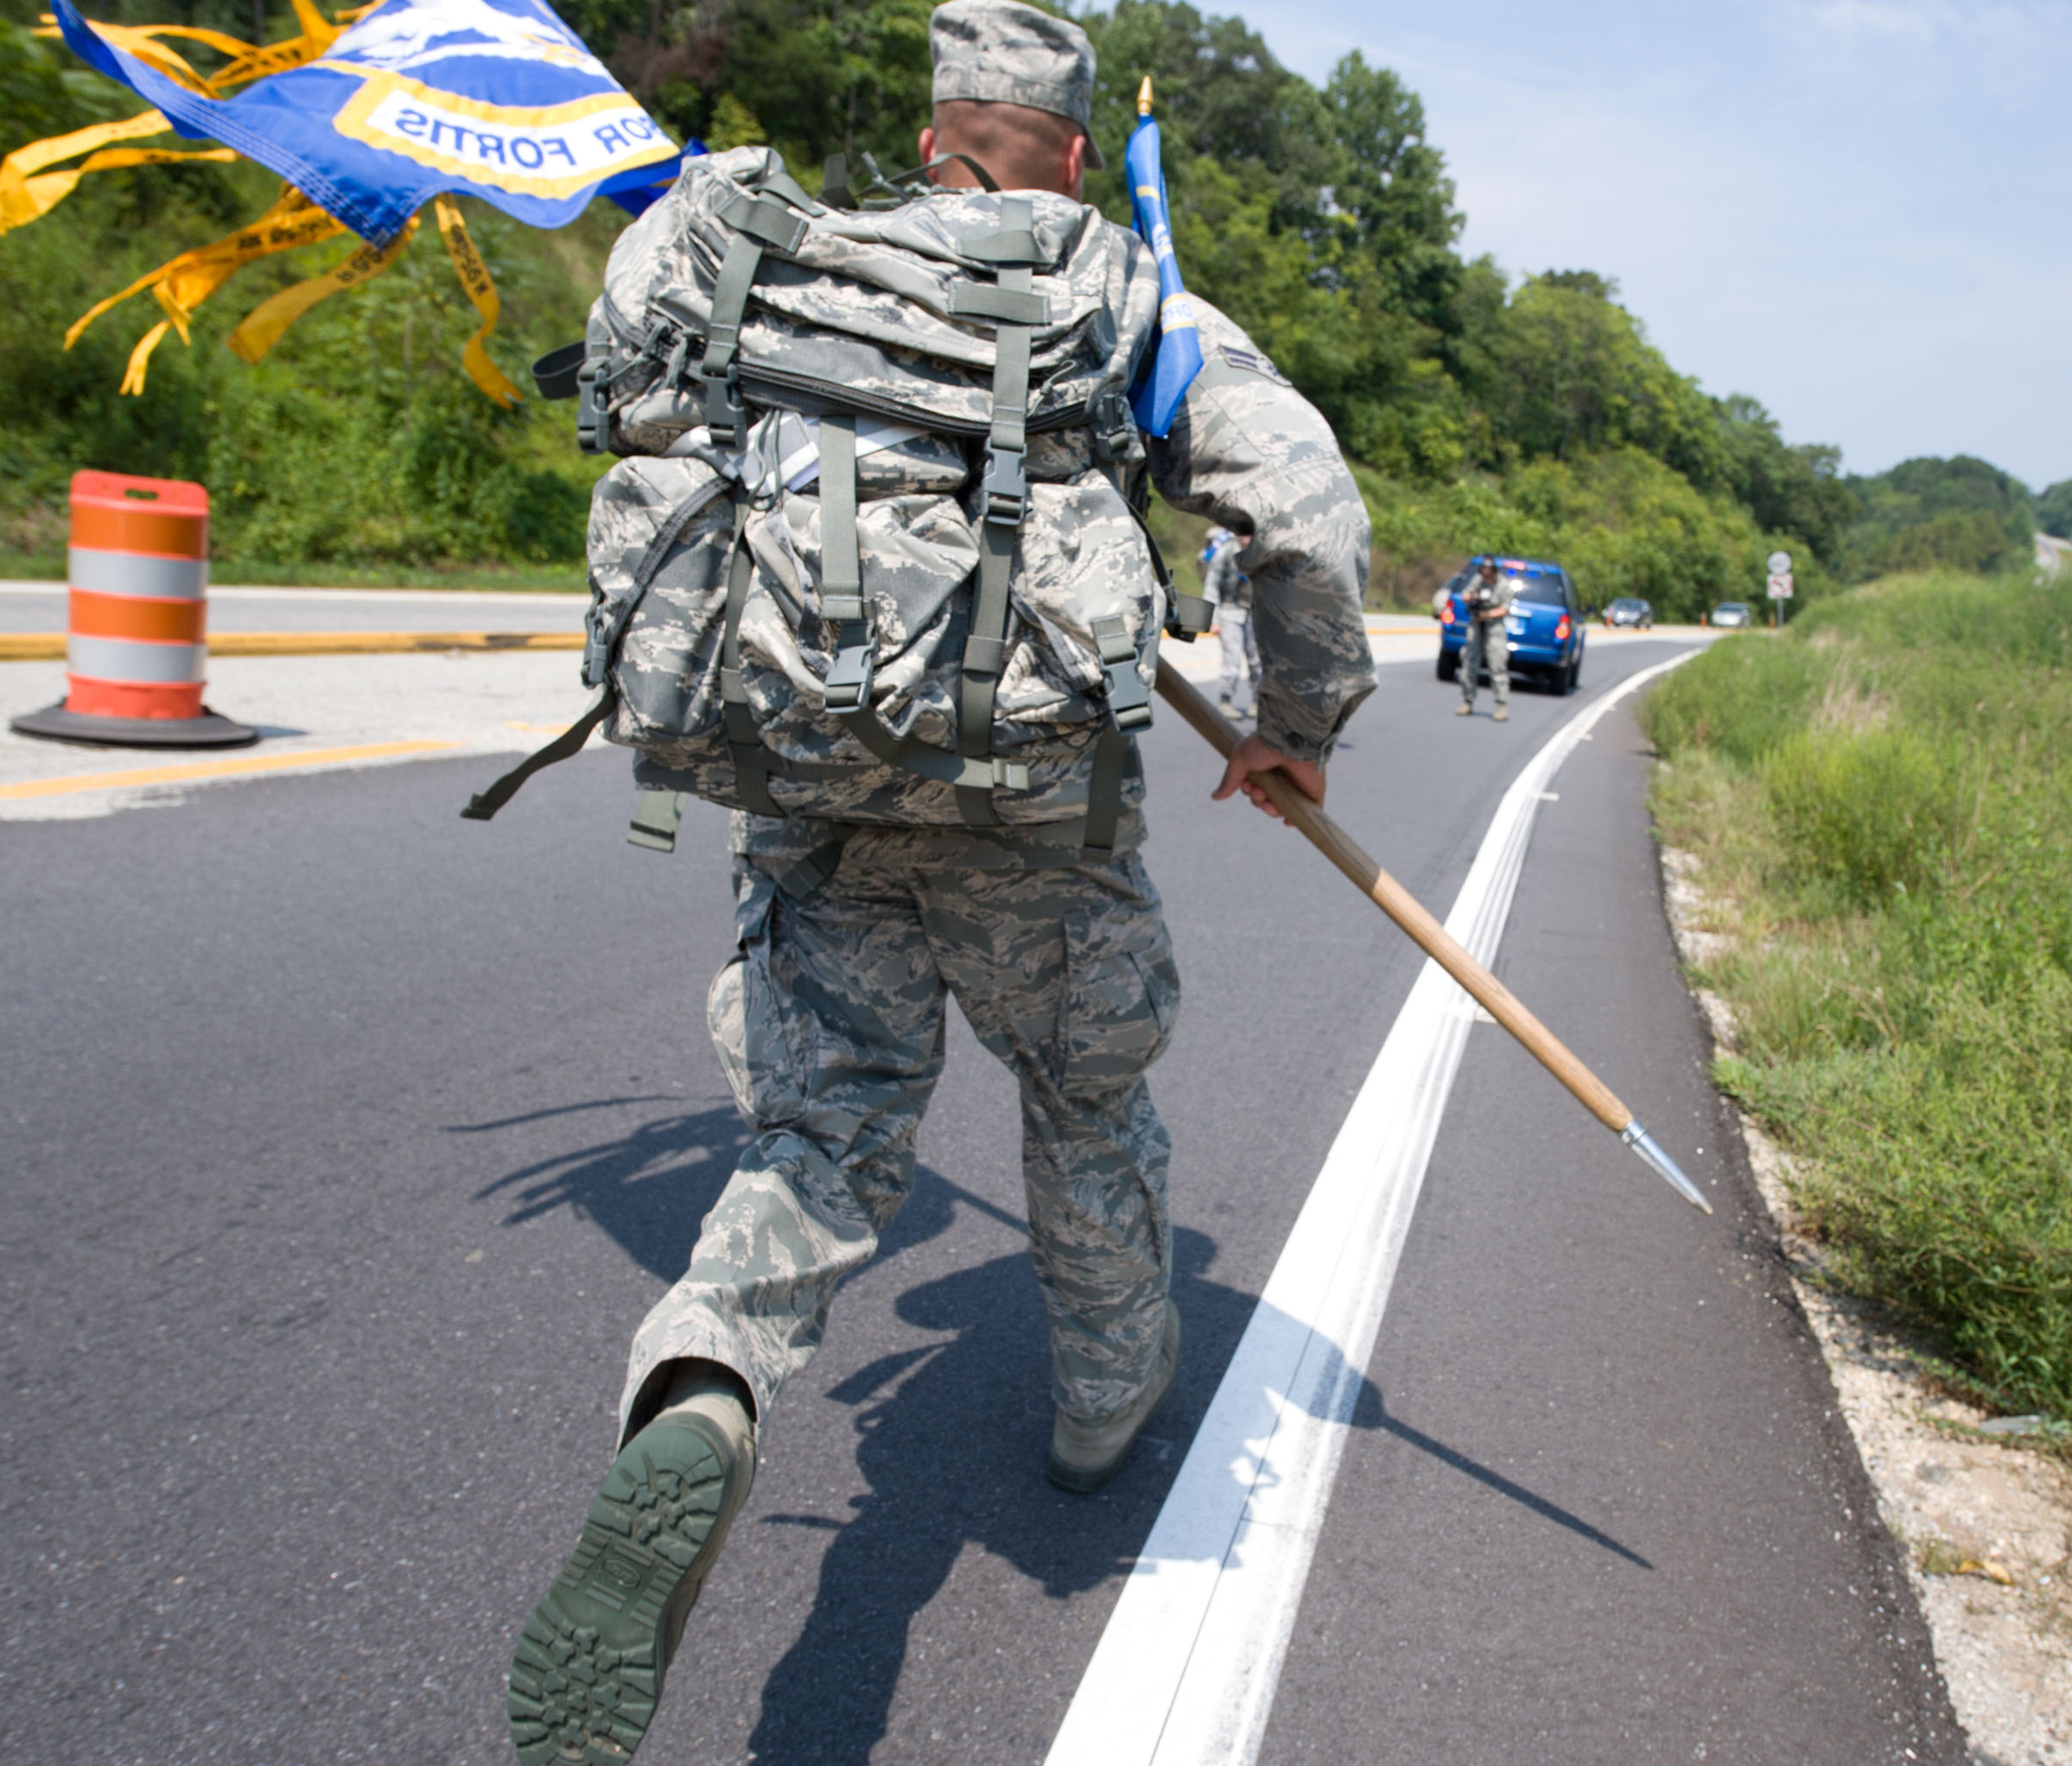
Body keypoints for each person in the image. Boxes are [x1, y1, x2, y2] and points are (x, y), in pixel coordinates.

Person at [505, 5, 1376, 1761]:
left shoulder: (781, 269)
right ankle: (1103, 1405)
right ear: (1065, 153)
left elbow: (647, 429)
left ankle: (705, 1378)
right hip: (1042, 821)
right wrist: (1300, 728)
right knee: (1085, 1099)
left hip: (804, 788)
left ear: (930, 140)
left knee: (812, 1142)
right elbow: (1306, 512)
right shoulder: (1119, 293)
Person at [1203, 524, 1262, 719]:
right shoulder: (1226, 554)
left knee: (1257, 660)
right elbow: (1212, 586)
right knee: (1232, 660)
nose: (1247, 538)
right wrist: (1213, 618)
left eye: (1250, 534)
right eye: (1243, 533)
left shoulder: (1260, 554)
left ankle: (1257, 701)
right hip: (1230, 612)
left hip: (1255, 613)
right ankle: (1226, 700)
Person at [1456, 557, 1513, 721]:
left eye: (1489, 574)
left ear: (1494, 572)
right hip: (1475, 624)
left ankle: (1501, 705)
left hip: (1494, 626)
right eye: (1484, 573)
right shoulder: (1478, 581)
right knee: (1468, 662)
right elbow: (1465, 595)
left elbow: (1504, 609)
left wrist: (1487, 615)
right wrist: (1471, 597)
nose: (1486, 577)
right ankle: (1468, 701)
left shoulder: (1503, 585)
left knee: (1497, 665)